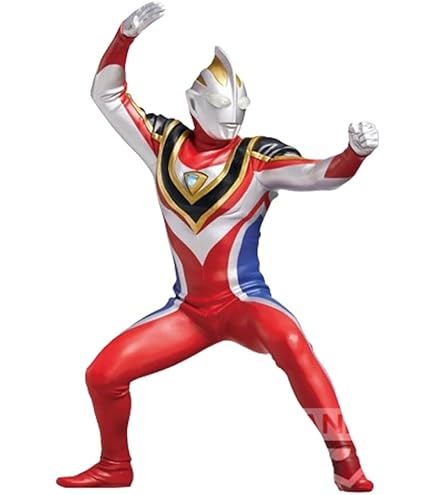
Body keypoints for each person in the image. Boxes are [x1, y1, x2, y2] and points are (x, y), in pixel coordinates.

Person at [57, 2, 379, 491]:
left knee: (293, 345)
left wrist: (353, 154)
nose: (233, 119)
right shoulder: (163, 144)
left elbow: (319, 175)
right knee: (102, 375)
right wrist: (124, 37)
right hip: (189, 311)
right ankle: (115, 465)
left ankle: (347, 464)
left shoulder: (256, 158)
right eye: (220, 108)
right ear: (194, 103)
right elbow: (107, 95)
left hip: (243, 303)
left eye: (239, 110)